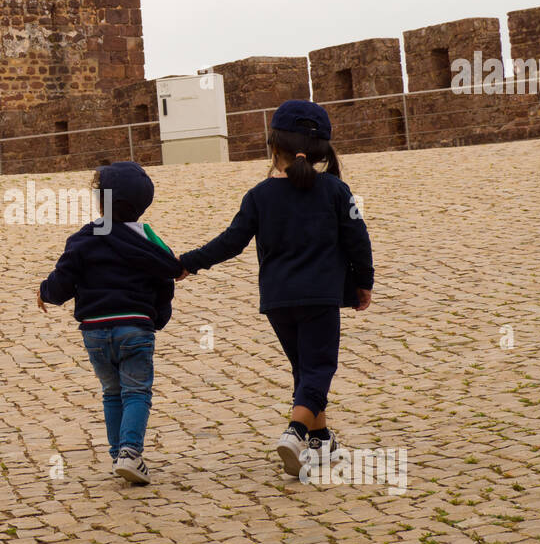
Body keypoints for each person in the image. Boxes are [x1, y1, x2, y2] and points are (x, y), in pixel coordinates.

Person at [176, 100, 374, 478]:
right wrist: (363, 282)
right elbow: (358, 240)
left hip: (278, 300)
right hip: (320, 296)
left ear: (273, 146)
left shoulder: (259, 196)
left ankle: (321, 440)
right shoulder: (337, 190)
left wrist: (187, 262)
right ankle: (295, 433)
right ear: (322, 149)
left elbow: (230, 242)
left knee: (305, 369)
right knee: (319, 367)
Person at [37, 161, 182, 485]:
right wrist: (158, 317)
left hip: (95, 331)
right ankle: (130, 453)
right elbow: (167, 276)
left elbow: (64, 278)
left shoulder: (85, 237)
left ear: (101, 201)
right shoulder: (148, 239)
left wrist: (46, 293)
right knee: (136, 392)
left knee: (112, 392)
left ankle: (119, 454)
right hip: (136, 326)